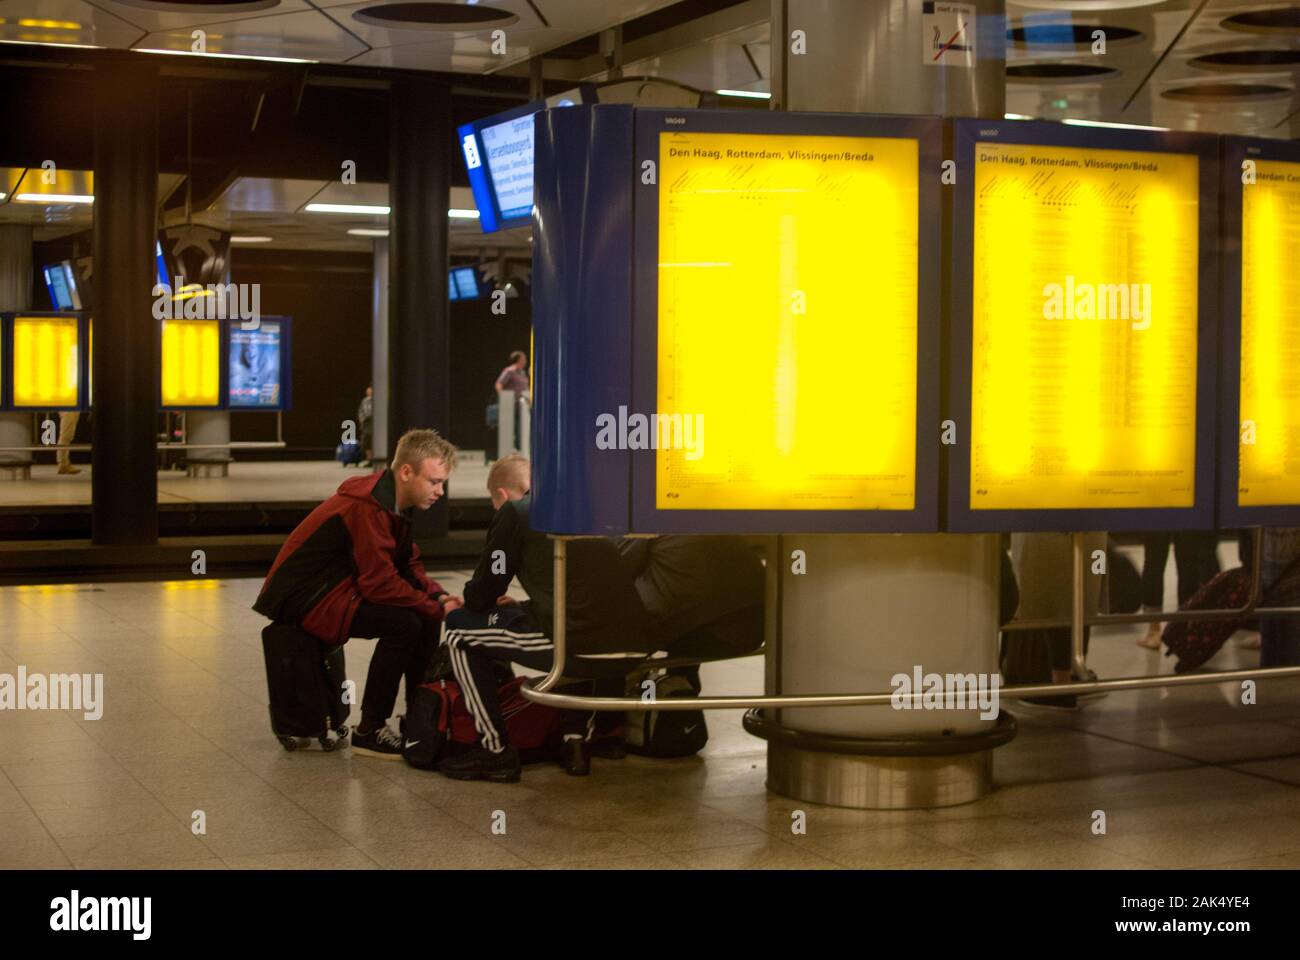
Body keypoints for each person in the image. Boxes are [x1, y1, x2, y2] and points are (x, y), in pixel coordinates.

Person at [439, 454, 652, 782]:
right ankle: (595, 736)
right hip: (635, 647)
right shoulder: (584, 506)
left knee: (458, 631)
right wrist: (520, 605)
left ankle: (494, 751)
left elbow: (483, 590)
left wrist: (463, 606)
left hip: (580, 646)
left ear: (501, 495)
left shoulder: (515, 511)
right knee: (554, 622)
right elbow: (579, 590)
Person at [253, 428, 463, 758]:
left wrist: (437, 597)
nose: (440, 491)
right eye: (434, 481)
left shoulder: (393, 501)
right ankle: (370, 729)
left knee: (422, 614)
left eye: (442, 483)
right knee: (405, 624)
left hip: (333, 589)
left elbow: (407, 564)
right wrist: (432, 607)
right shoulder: (369, 507)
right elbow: (378, 583)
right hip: (304, 598)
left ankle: (419, 719)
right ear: (406, 472)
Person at [616, 535, 765, 690]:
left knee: (610, 632)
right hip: (751, 627)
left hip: (699, 625)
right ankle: (676, 686)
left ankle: (634, 688)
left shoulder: (639, 518)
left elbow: (613, 565)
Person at [1137, 531, 1221, 649]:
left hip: (1157, 514)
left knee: (1154, 563)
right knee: (1188, 566)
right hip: (1187, 515)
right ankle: (1186, 628)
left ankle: (1154, 630)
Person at [57, 410, 80, 475]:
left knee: (66, 436)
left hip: (69, 405)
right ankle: (63, 464)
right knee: (66, 436)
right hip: (69, 406)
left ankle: (63, 463)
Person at [357, 385, 374, 466]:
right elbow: (360, 411)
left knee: (373, 441)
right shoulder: (364, 401)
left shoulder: (377, 400)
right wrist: (361, 420)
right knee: (366, 441)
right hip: (366, 423)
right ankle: (370, 460)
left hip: (374, 422)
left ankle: (374, 459)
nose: (368, 391)